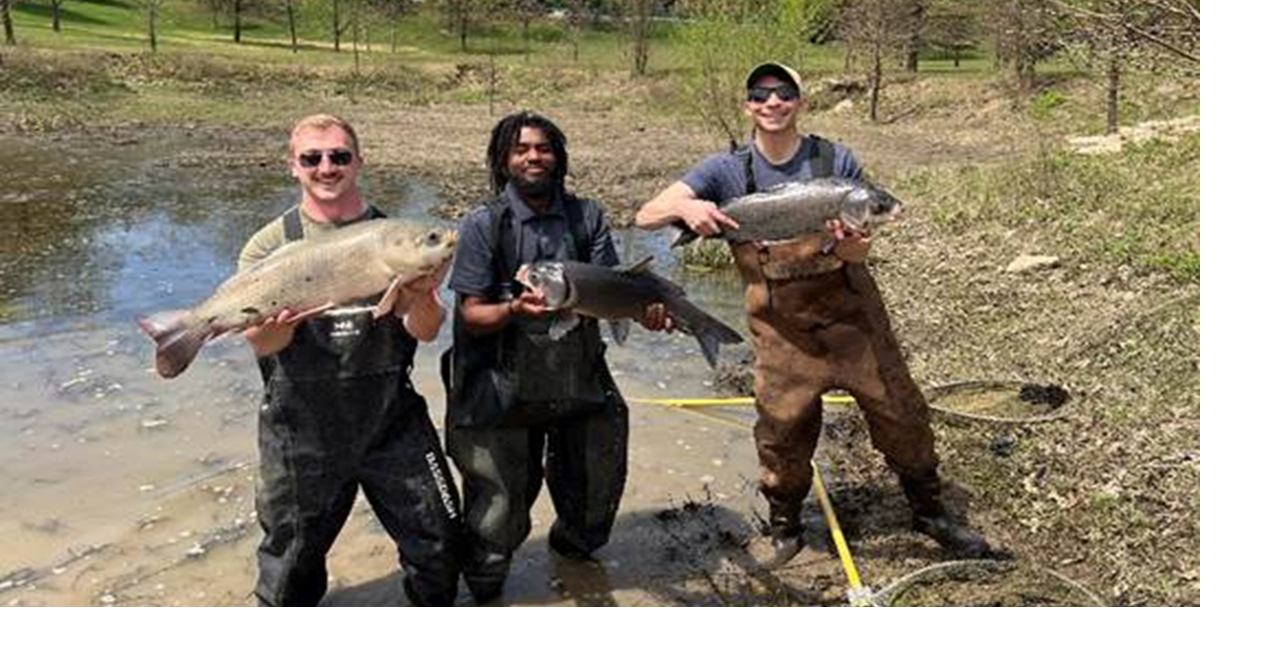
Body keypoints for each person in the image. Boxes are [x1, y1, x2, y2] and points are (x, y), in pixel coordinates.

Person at [635, 64, 991, 568]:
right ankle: (785, 527)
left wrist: (853, 243)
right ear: (748, 106)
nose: (772, 102)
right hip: (781, 332)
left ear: (801, 102)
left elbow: (857, 258)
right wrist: (688, 211)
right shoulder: (726, 169)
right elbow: (647, 215)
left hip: (853, 322)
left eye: (784, 93)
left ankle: (930, 511)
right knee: (781, 431)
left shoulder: (836, 160)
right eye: (760, 94)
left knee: (901, 414)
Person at [444, 111, 670, 603]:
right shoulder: (485, 223)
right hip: (498, 383)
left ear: (559, 157)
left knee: (595, 489)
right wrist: (513, 308)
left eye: (543, 148)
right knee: (496, 514)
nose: (533, 157)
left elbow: (612, 289)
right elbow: (472, 316)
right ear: (504, 160)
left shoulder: (587, 216)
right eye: (521, 149)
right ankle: (487, 579)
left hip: (577, 375)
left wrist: (642, 311)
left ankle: (574, 557)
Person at [239, 114, 462, 607]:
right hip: (303, 427)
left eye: (339, 156)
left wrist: (423, 293)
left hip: (390, 420)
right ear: (293, 167)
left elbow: (424, 331)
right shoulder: (268, 244)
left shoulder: (397, 236)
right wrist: (281, 322)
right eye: (312, 158)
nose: (326, 167)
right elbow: (263, 345)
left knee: (441, 544)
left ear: (358, 161)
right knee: (290, 568)